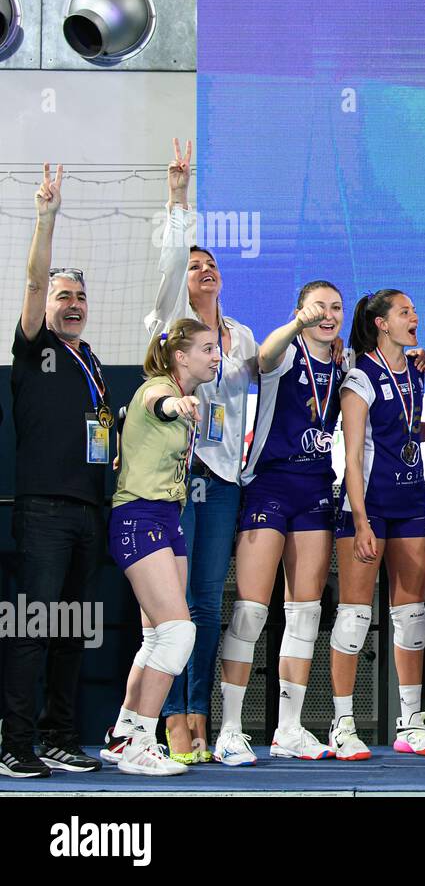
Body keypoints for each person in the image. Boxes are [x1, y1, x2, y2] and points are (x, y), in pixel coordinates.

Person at [145, 139, 259, 763]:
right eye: (194, 265)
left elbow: (252, 407)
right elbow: (168, 267)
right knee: (169, 604)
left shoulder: (238, 335)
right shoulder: (171, 324)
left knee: (208, 602)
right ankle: (166, 721)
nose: (204, 270)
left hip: (221, 480)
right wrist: (178, 201)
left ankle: (197, 713)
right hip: (170, 478)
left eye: (211, 263)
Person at [211, 281, 346, 765]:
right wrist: (298, 324)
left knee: (306, 614)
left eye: (335, 308)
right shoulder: (286, 353)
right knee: (250, 611)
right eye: (318, 307)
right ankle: (230, 729)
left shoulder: (344, 367)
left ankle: (289, 728)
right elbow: (263, 358)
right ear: (300, 311)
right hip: (268, 484)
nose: (327, 315)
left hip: (315, 491)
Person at [3, 164, 105, 778]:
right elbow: (35, 278)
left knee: (73, 633)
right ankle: (15, 746)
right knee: (32, 632)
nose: (72, 305)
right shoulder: (33, 345)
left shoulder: (89, 358)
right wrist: (47, 218)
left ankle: (61, 737)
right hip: (41, 512)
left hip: (88, 513)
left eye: (79, 298)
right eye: (63, 296)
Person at [328, 290, 425, 757]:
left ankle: (411, 722)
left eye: (414, 312)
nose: (413, 317)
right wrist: (359, 521)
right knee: (355, 618)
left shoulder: (415, 373)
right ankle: (342, 723)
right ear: (381, 324)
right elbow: (353, 455)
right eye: (404, 312)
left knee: (412, 617)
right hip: (369, 506)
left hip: (412, 501)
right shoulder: (360, 377)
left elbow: (408, 432)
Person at [105, 318, 221, 774]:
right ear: (181, 356)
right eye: (208, 349)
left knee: (156, 635)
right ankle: (141, 742)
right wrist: (176, 403)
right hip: (139, 517)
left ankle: (123, 735)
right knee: (179, 632)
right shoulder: (158, 387)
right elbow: (158, 404)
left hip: (168, 518)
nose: (216, 356)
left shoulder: (194, 395)